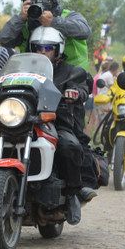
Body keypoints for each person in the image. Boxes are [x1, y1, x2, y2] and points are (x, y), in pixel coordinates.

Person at [28, 27, 93, 223]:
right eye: (38, 48)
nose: (42, 52)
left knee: (69, 146)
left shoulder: (70, 71)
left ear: (58, 49)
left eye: (48, 47)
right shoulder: (25, 69)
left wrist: (76, 93)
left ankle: (72, 193)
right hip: (25, 121)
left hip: (57, 122)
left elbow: (81, 87)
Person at [0, 0, 92, 71]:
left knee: (71, 87)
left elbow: (85, 31)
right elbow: (3, 39)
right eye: (31, 4)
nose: (36, 8)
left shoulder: (68, 16)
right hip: (36, 75)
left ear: (51, 3)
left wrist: (53, 22)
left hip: (74, 77)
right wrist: (20, 18)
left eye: (39, 3)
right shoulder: (25, 25)